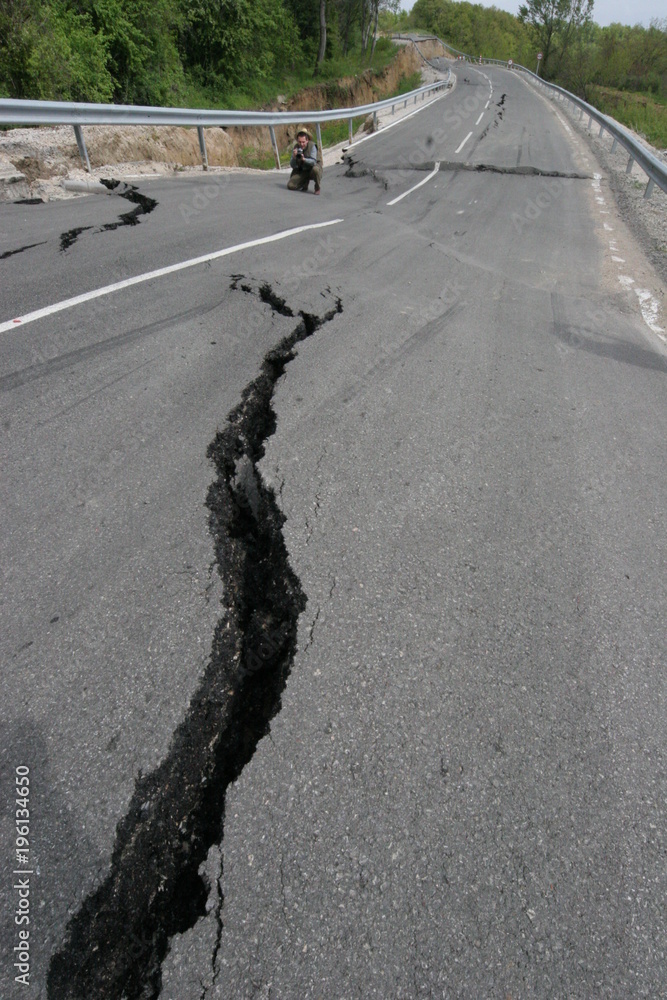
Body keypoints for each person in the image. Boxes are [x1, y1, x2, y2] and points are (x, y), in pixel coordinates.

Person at [287, 125, 322, 195]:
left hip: (312, 169)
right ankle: (304, 183)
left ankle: (317, 187)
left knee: (315, 170)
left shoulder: (312, 146)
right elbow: (292, 165)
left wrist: (304, 159)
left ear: (307, 140)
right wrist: (294, 157)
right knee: (290, 185)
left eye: (303, 142)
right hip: (302, 171)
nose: (301, 144)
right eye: (300, 142)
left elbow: (313, 162)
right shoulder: (296, 147)